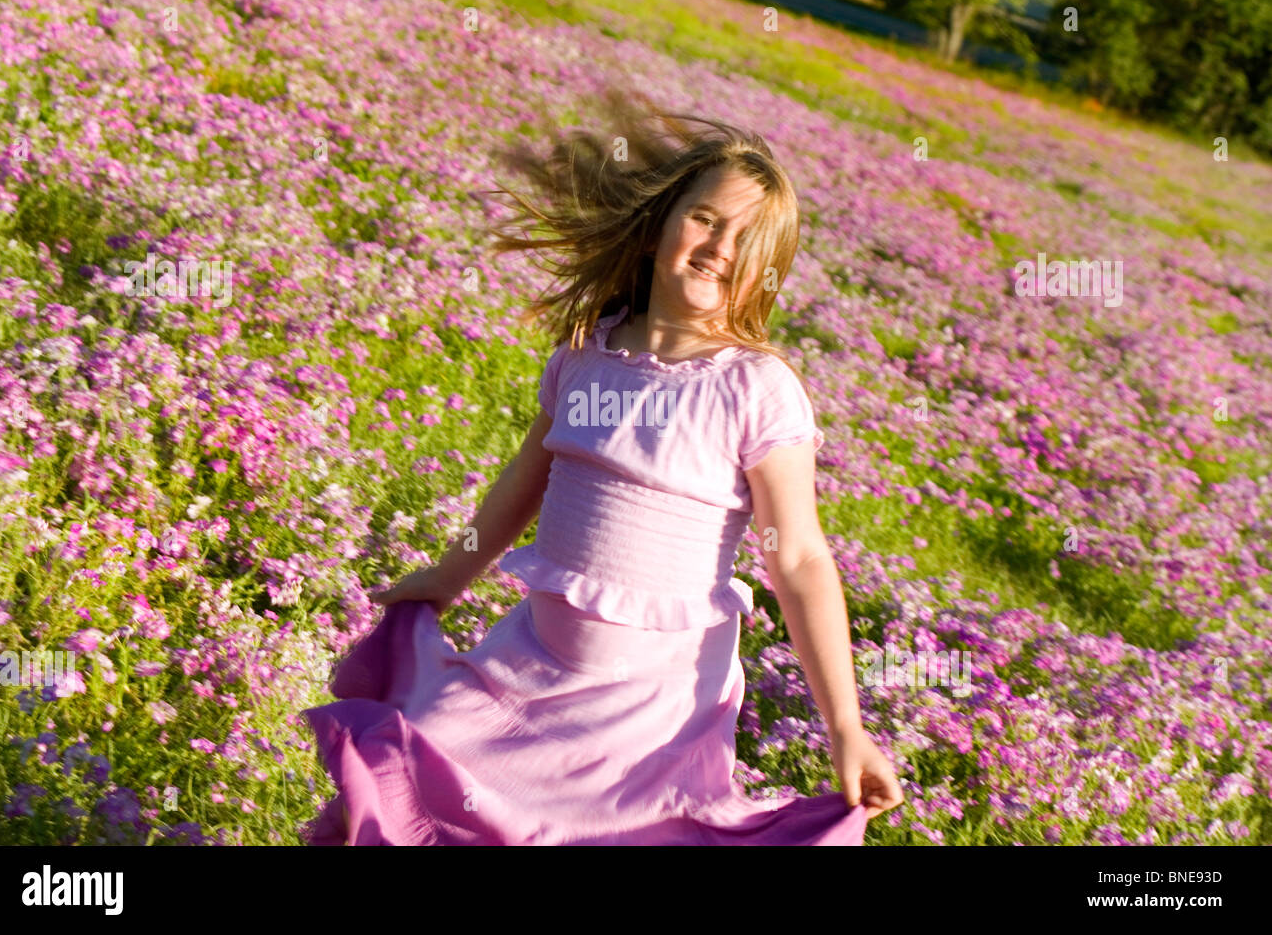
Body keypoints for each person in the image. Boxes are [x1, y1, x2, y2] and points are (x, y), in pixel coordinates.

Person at [299, 91, 904, 845]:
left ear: (768, 273)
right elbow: (528, 476)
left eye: (747, 237)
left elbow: (804, 557)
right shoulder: (588, 353)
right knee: (410, 777)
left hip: (647, 716)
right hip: (530, 669)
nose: (721, 244)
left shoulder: (756, 389)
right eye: (706, 218)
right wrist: (448, 575)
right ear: (659, 229)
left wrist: (844, 724)